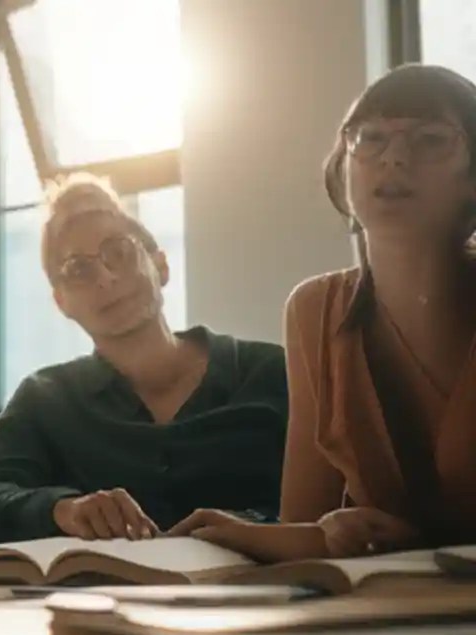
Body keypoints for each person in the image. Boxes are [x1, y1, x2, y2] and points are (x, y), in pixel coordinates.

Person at [173, 64, 476, 560]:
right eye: (371, 138)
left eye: (430, 139)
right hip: (396, 615)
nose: (394, 158)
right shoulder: (315, 313)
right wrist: (233, 534)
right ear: (343, 167)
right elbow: (307, 522)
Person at [0, 174, 288, 544]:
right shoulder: (43, 399)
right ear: (61, 303)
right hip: (102, 598)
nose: (105, 278)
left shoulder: (271, 372)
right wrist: (64, 509)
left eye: (118, 253)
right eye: (79, 270)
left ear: (161, 265)